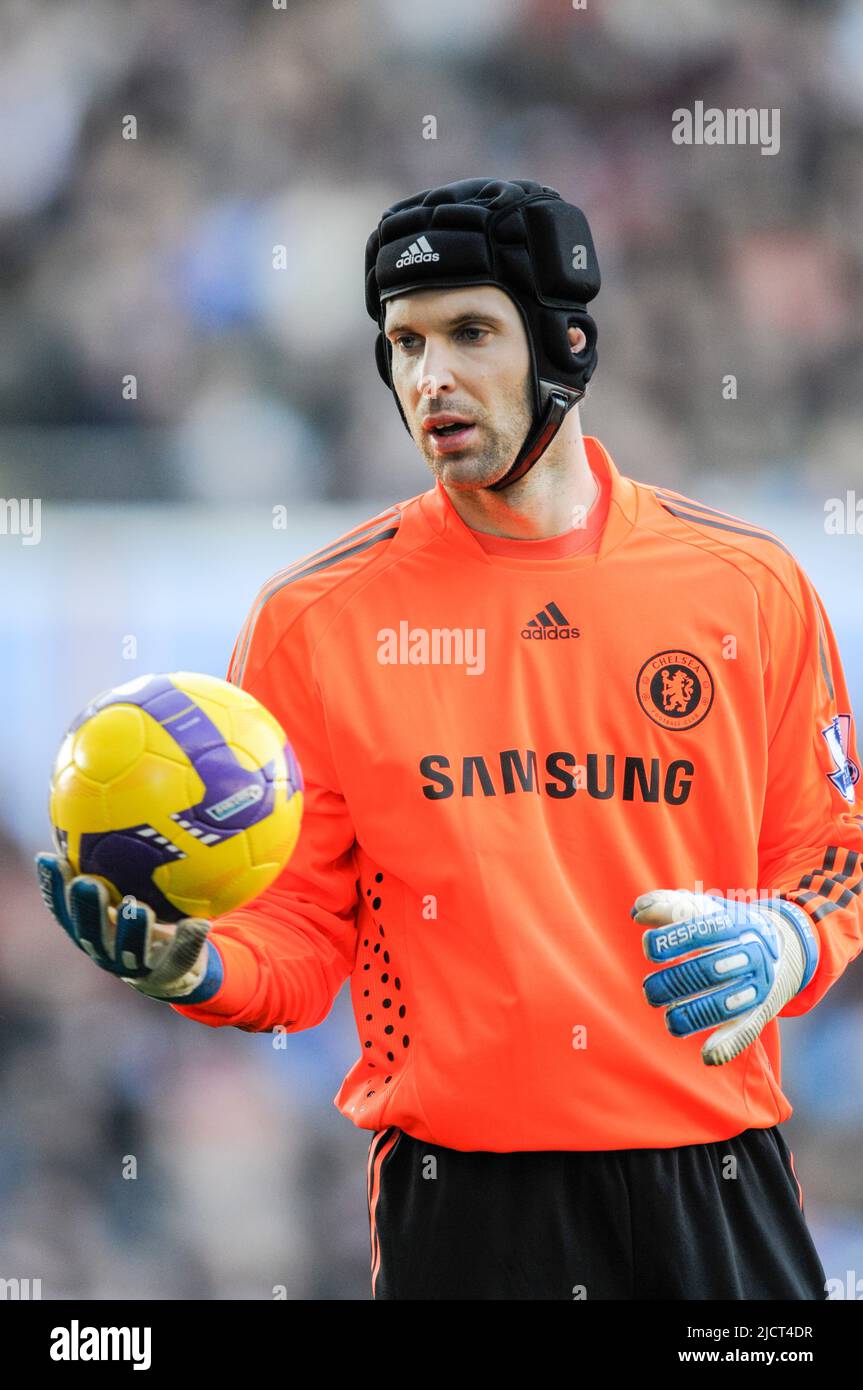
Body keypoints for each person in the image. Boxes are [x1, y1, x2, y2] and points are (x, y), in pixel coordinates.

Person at [38, 179, 863, 1300]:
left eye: (471, 332)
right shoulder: (314, 619)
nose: (430, 377)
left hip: (716, 1194)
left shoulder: (746, 587)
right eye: (404, 342)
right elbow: (292, 934)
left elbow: (831, 858)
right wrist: (202, 963)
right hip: (464, 1213)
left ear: (563, 341)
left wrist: (785, 947)